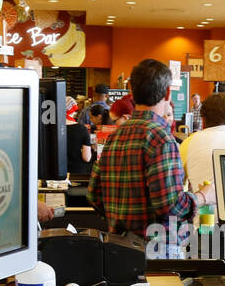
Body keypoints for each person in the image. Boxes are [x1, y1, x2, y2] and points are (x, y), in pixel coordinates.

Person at [88, 59, 214, 250]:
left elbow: (94, 193)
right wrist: (203, 197)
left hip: (119, 247)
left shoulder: (115, 136)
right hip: (156, 250)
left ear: (132, 93)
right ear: (167, 93)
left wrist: (120, 218)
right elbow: (170, 206)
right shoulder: (161, 138)